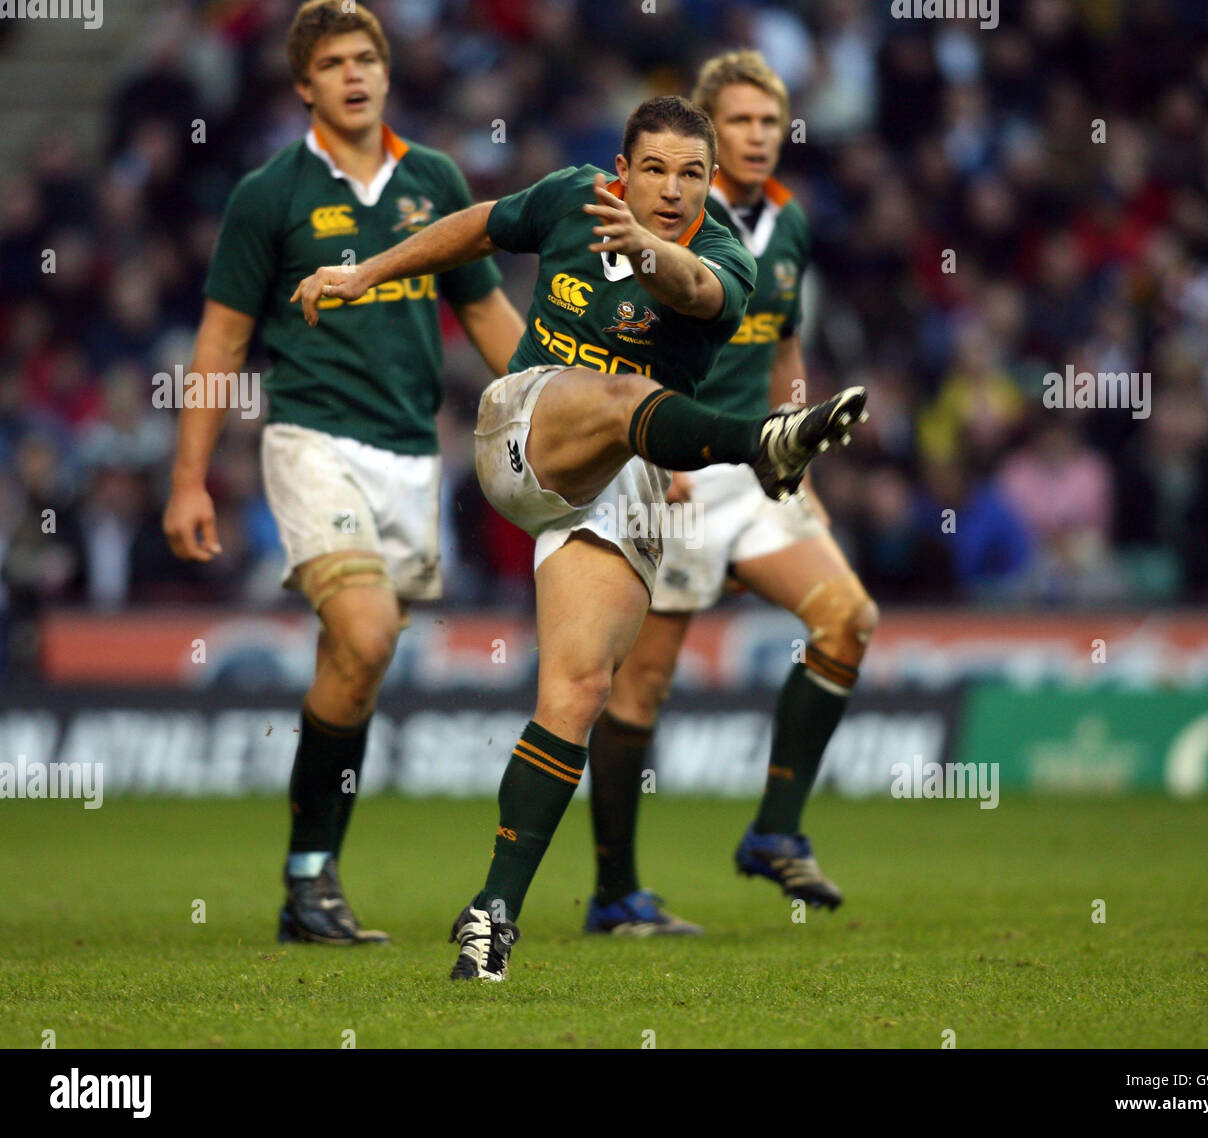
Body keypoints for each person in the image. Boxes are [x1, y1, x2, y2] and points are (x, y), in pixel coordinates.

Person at [292, 95, 869, 980]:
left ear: (710, 181)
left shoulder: (725, 257)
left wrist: (648, 251)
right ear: (622, 170)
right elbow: (479, 226)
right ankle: (760, 443)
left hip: (621, 483)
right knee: (625, 393)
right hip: (523, 429)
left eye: (691, 174)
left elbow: (697, 290)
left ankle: (491, 916)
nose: (672, 189)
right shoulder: (571, 195)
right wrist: (366, 272)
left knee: (579, 689)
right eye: (655, 170)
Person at [162, 0, 524, 946]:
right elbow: (221, 341)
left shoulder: (436, 179)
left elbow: (485, 313)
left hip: (411, 456)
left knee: (354, 667)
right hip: (312, 441)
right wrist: (189, 477)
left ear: (388, 71)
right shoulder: (269, 194)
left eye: (367, 57)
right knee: (363, 636)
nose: (355, 74)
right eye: (333, 63)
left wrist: (561, 403)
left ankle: (307, 882)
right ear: (303, 85)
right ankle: (310, 877)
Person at [582, 52, 881, 937]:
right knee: (639, 690)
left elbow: (784, 345)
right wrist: (648, 444)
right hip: (669, 465)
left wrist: (801, 456)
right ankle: (615, 894)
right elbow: (614, 336)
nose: (758, 136)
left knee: (848, 619)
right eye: (740, 122)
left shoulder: (790, 222)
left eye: (770, 121)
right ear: (708, 138)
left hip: (755, 467)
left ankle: (775, 832)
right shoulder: (665, 214)